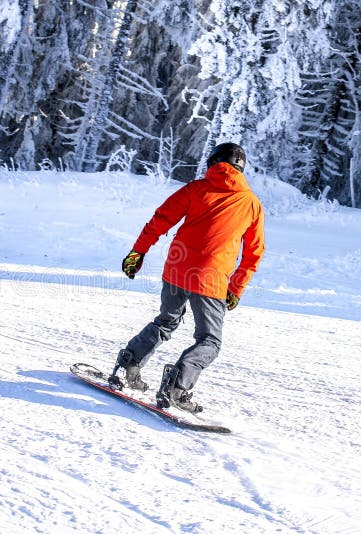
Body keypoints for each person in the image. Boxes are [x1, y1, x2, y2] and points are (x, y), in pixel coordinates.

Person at [113, 142, 265, 413]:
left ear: (213, 163)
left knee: (165, 322)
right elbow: (254, 253)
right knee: (209, 341)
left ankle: (128, 364)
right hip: (211, 279)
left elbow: (160, 220)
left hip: (176, 269)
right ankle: (176, 387)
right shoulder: (251, 203)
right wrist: (236, 288)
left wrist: (138, 252)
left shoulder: (195, 189)